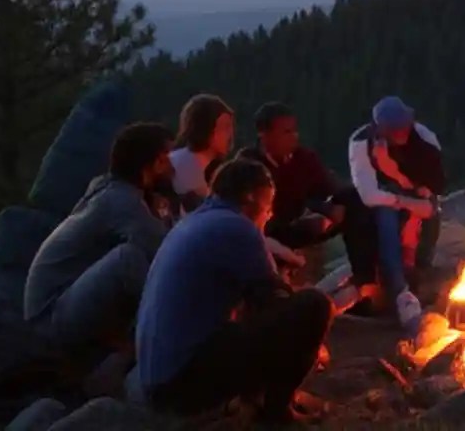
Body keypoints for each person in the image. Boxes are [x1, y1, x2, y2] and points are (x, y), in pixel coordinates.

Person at [136, 158, 334, 424]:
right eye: (268, 207)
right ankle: (277, 412)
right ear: (251, 198)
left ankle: (254, 399)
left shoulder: (196, 221)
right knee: (315, 306)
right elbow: (276, 299)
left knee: (251, 315)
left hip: (157, 380)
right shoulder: (237, 227)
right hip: (182, 382)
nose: (269, 216)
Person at [24, 122, 175, 358]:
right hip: (51, 316)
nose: (171, 167)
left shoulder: (113, 191)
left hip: (61, 304)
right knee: (129, 258)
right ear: (151, 163)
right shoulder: (120, 201)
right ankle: (174, 329)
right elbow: (166, 249)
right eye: (166, 159)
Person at [237, 102, 379, 306]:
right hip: (267, 231)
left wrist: (331, 208)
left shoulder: (304, 158)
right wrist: (320, 208)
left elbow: (330, 187)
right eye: (286, 132)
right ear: (264, 135)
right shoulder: (248, 163)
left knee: (354, 200)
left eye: (294, 130)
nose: (294, 136)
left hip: (300, 225)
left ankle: (364, 283)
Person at [347, 96, 443, 330]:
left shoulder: (424, 138)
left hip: (413, 191)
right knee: (386, 217)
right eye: (395, 128)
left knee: (431, 214)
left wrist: (402, 183)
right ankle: (400, 289)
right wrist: (401, 201)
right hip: (383, 198)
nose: (402, 132)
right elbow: (369, 194)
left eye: (404, 126)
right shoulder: (361, 143)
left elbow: (435, 185)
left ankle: (421, 270)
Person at [168, 94, 235, 212]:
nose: (230, 135)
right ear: (206, 128)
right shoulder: (181, 164)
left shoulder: (216, 169)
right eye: (224, 127)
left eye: (230, 127)